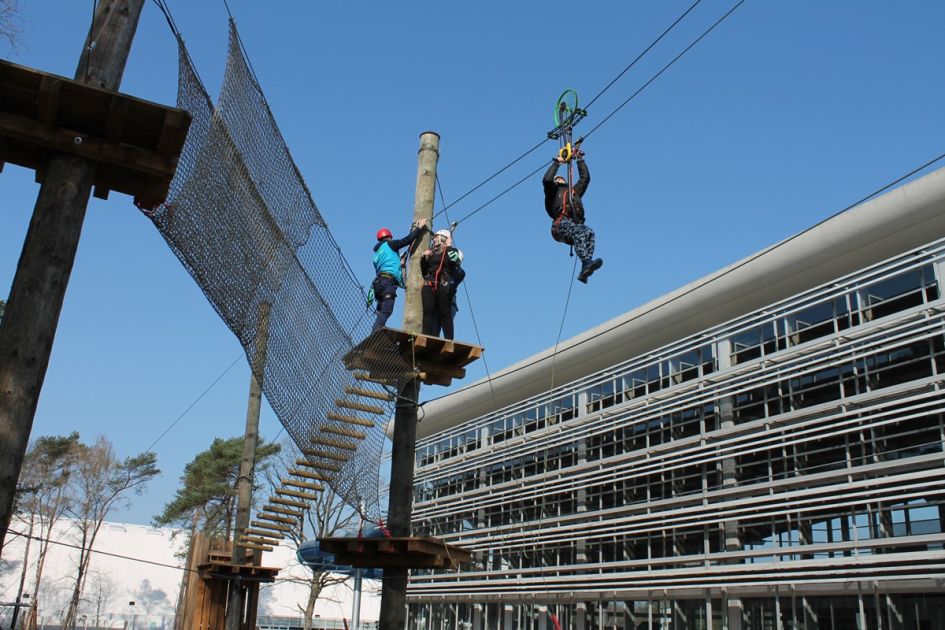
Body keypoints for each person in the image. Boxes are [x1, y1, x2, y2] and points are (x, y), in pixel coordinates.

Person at [542, 148, 603, 283]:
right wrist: (557, 163)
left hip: (573, 225)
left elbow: (585, 178)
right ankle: (586, 263)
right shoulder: (553, 192)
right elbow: (547, 180)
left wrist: (580, 160)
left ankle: (586, 266)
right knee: (578, 231)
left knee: (589, 232)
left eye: (562, 177)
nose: (561, 177)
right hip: (560, 225)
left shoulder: (573, 192)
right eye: (558, 178)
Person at [371, 218, 429, 331]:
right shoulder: (390, 244)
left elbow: (387, 265)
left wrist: (399, 263)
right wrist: (419, 227)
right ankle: (376, 332)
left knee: (381, 311)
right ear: (389, 237)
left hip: (378, 284)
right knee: (387, 310)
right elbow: (408, 240)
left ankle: (375, 330)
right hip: (388, 282)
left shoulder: (378, 253)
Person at [420, 229, 464, 339]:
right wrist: (423, 258)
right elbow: (425, 272)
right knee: (428, 311)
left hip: (443, 283)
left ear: (442, 239)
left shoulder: (450, 252)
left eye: (435, 237)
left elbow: (455, 261)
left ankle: (449, 339)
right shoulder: (432, 254)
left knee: (445, 312)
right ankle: (426, 336)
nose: (433, 240)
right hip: (430, 282)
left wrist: (449, 246)